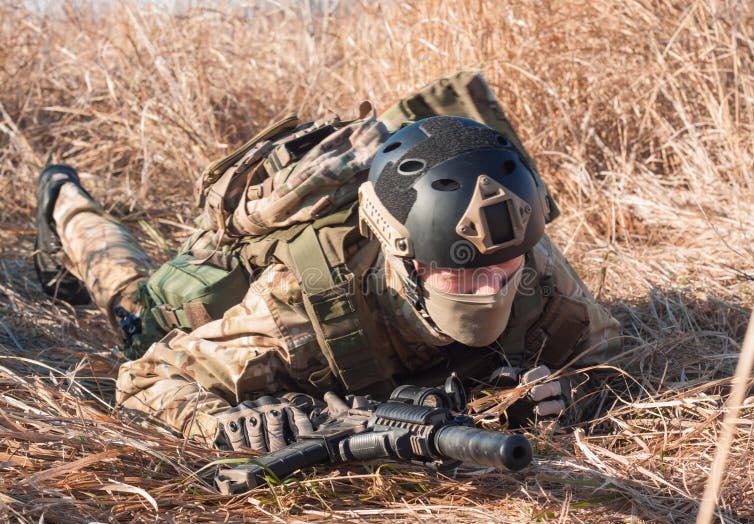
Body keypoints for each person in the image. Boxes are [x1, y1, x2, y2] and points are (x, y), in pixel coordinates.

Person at [33, 74, 620, 454]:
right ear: (403, 258)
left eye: (502, 273)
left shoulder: (523, 254)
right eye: (462, 278)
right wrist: (218, 424)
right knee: (129, 296)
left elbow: (603, 352)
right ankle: (63, 196)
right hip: (200, 304)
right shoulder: (295, 311)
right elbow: (143, 380)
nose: (491, 290)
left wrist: (568, 391)